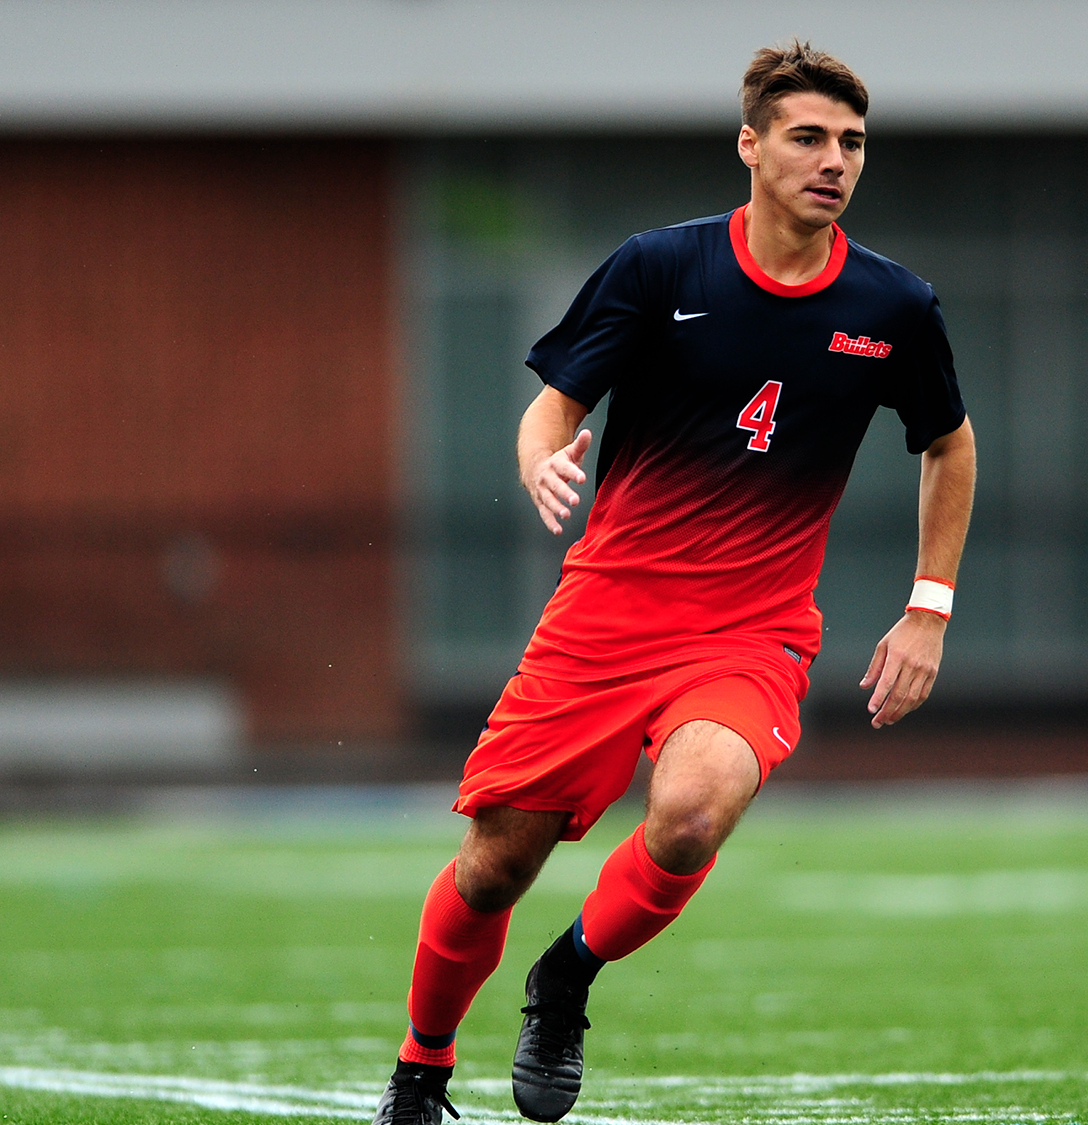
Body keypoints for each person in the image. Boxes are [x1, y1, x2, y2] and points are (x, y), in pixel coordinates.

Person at [374, 39, 977, 1125]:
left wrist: (926, 609)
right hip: (604, 616)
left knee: (693, 813)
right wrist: (539, 453)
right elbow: (557, 403)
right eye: (806, 137)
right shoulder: (659, 269)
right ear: (749, 146)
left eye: (849, 142)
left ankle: (565, 980)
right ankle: (420, 1069)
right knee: (493, 865)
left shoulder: (893, 306)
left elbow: (949, 444)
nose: (832, 160)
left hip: (751, 632)